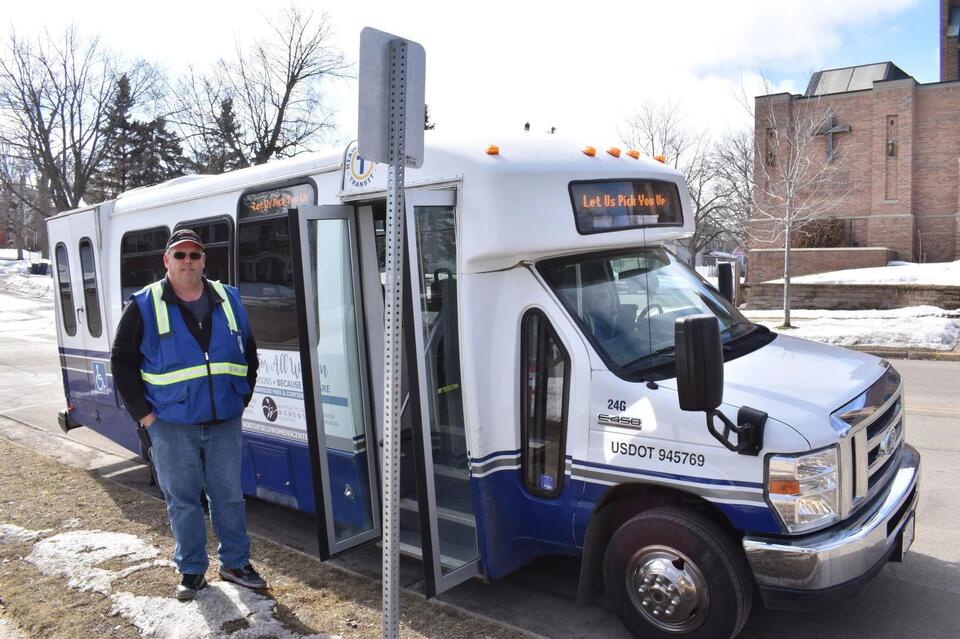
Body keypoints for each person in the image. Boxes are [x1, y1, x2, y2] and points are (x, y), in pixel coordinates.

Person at [110, 228, 264, 601]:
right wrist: (146, 417)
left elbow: (250, 356)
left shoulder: (228, 299)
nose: (187, 262)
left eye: (194, 255)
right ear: (167, 261)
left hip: (223, 421)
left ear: (204, 260)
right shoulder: (145, 304)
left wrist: (239, 400)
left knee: (229, 496)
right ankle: (192, 570)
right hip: (171, 425)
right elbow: (122, 362)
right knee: (183, 500)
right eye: (179, 255)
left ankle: (235, 563)